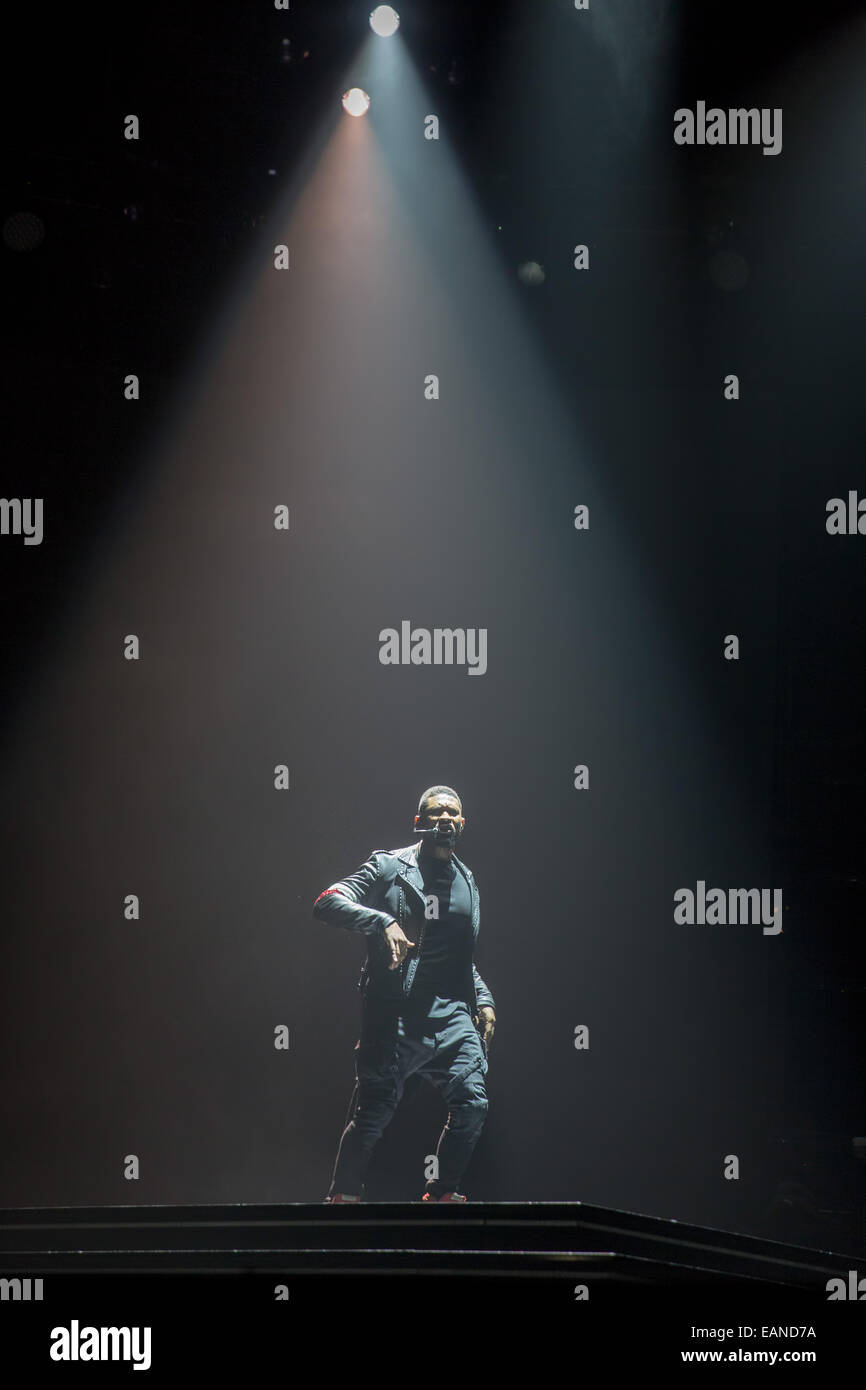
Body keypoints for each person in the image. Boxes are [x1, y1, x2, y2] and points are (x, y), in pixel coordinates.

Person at [313, 785, 496, 1202]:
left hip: (451, 1019)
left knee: (473, 1105)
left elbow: (458, 957)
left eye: (453, 813)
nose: (445, 819)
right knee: (372, 1115)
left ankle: (443, 1192)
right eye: (435, 813)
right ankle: (343, 1198)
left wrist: (483, 999)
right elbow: (326, 901)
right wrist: (380, 921)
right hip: (397, 1017)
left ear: (462, 824)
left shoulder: (468, 881)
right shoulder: (390, 867)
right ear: (420, 822)